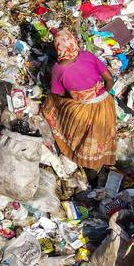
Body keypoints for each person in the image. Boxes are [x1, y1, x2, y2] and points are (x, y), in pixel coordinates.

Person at [41, 28, 117, 176]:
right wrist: (104, 94)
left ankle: (84, 162)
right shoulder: (87, 55)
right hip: (106, 104)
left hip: (84, 109)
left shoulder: (59, 69)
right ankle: (99, 162)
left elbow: (59, 94)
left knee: (51, 104)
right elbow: (109, 79)